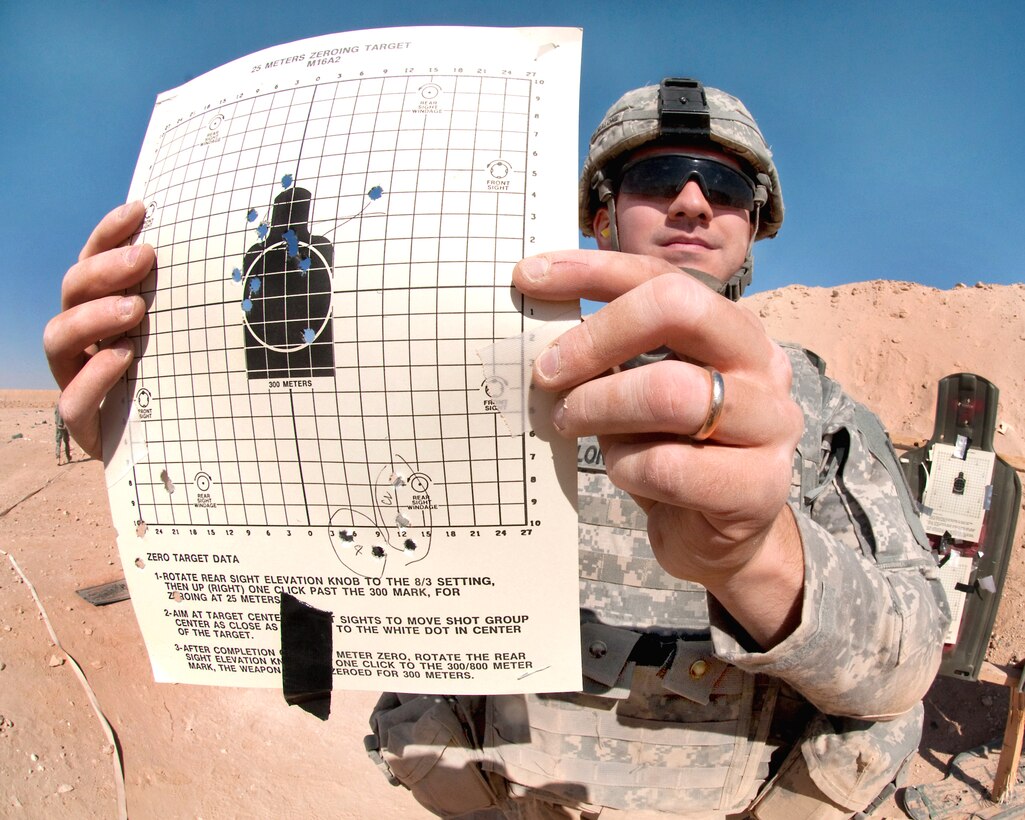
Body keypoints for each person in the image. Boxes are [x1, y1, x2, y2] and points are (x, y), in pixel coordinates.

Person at [44, 76, 948, 819]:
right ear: (602, 216)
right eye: (656, 177)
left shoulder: (818, 410)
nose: (690, 202)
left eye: (726, 188)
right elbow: (332, 556)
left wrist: (757, 559)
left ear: (751, 227)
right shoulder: (490, 377)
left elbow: (903, 672)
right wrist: (169, 430)